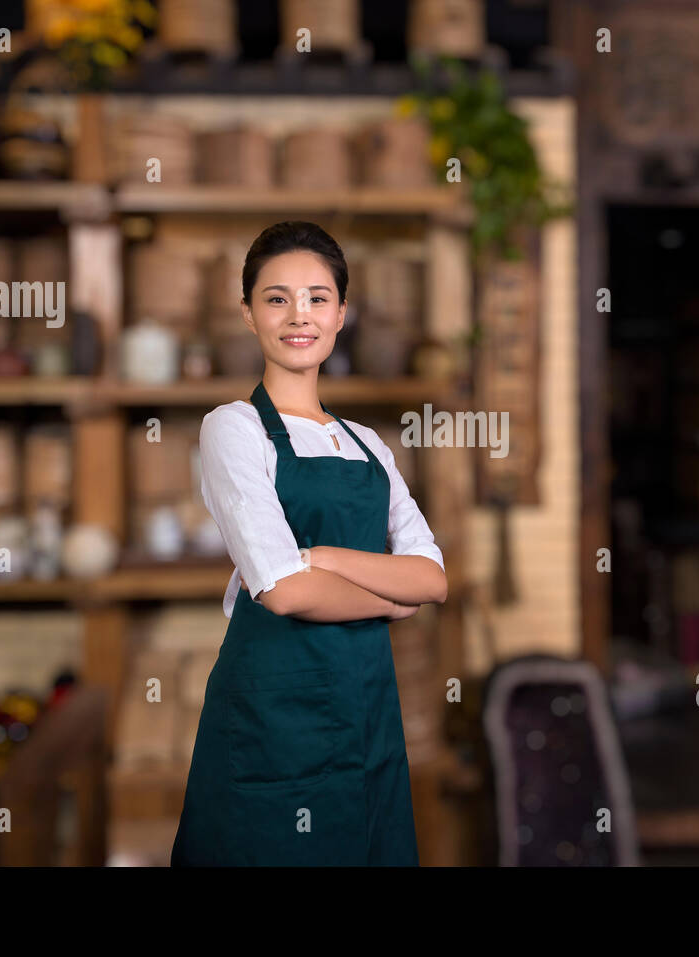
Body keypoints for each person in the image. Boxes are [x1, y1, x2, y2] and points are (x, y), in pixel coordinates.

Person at [171, 221, 446, 866]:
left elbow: (432, 579)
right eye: (276, 298)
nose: (300, 316)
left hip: (367, 705)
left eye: (318, 298)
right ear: (247, 313)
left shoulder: (367, 444)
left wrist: (321, 558)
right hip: (274, 710)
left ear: (342, 314)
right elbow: (283, 590)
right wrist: (388, 595)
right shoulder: (233, 429)